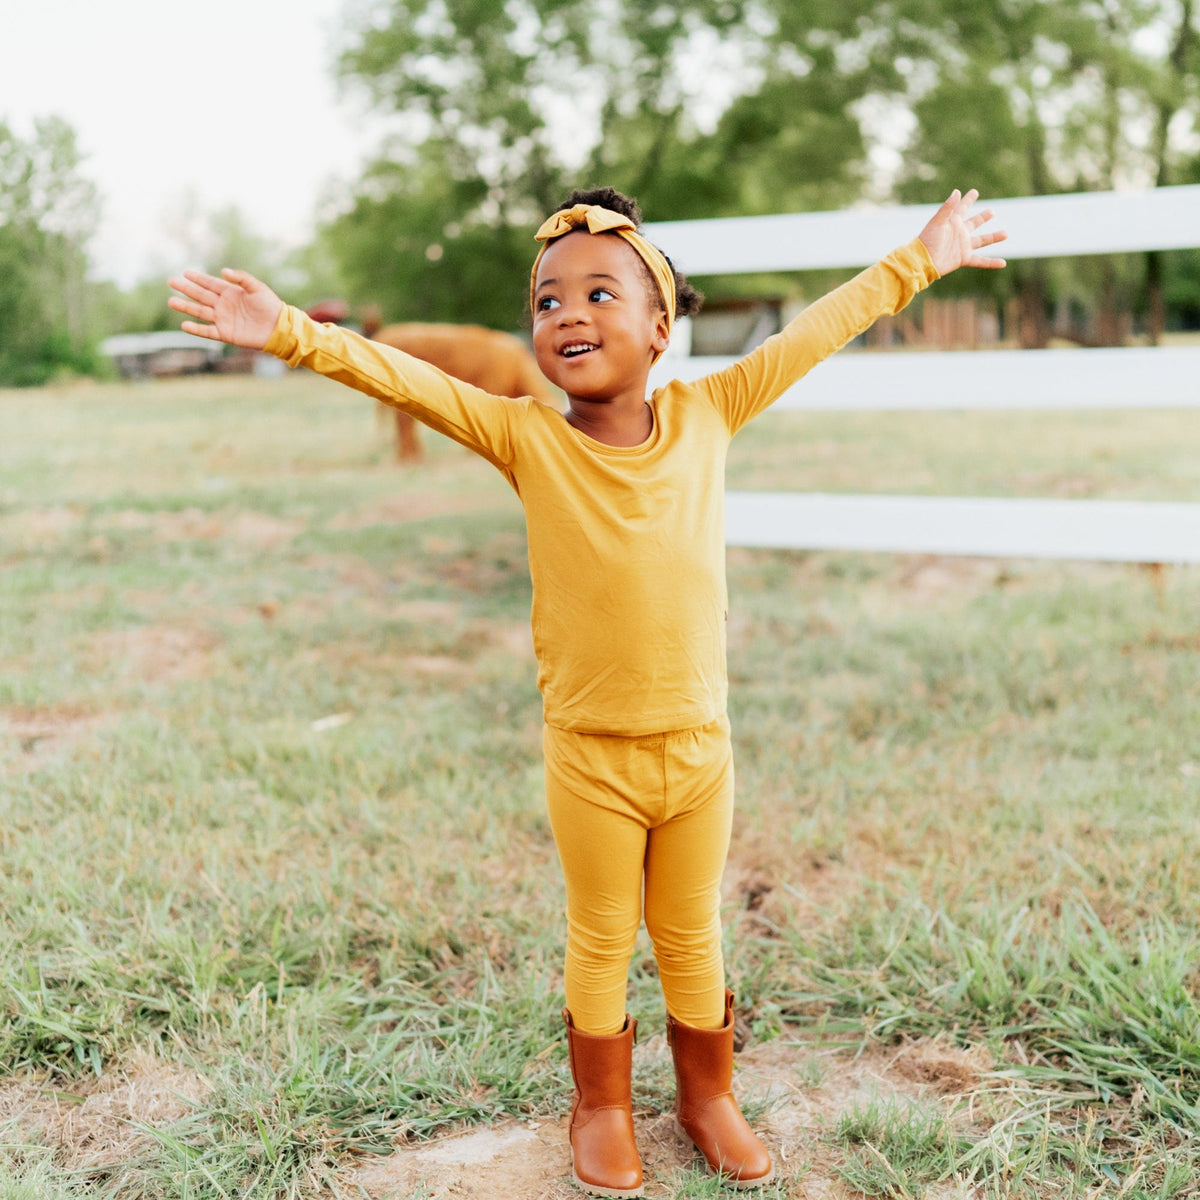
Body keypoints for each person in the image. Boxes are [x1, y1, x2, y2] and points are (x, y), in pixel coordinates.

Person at [168, 185, 1005, 1196]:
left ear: (661, 329)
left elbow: (819, 330)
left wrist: (922, 257)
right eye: (548, 300)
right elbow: (405, 380)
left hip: (699, 752)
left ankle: (707, 1098)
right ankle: (602, 1106)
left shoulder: (710, 413)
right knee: (603, 933)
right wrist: (295, 333)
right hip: (591, 758)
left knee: (691, 929)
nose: (567, 314)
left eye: (599, 293)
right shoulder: (527, 438)